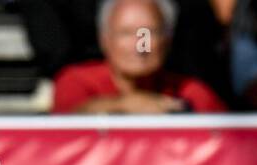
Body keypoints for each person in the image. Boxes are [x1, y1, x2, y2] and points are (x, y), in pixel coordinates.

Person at [52, 0, 227, 114]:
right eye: (126, 33)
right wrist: (122, 106)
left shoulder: (190, 91)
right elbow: (65, 122)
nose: (139, 46)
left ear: (168, 40)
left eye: (149, 33)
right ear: (104, 40)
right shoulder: (76, 81)